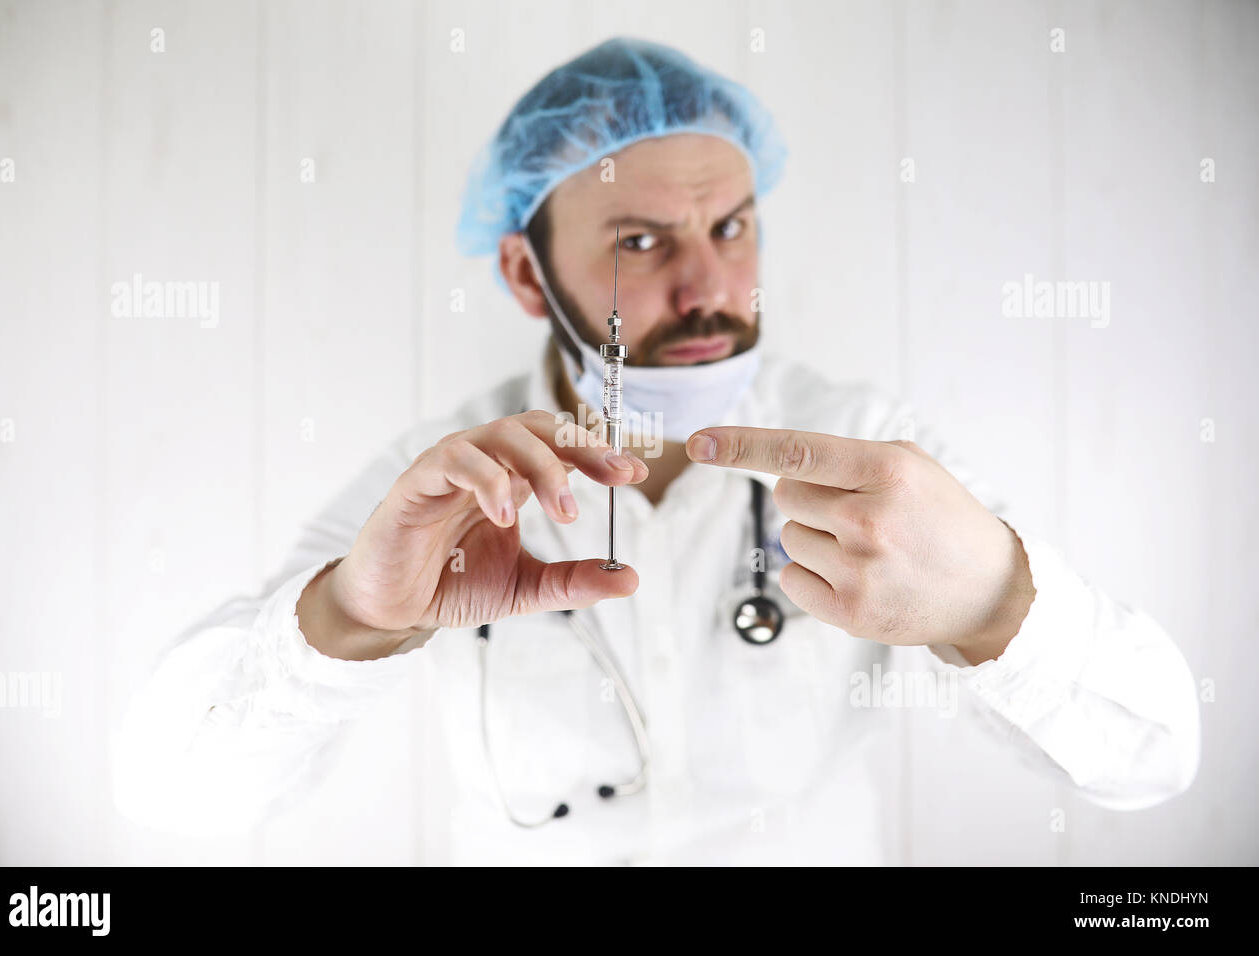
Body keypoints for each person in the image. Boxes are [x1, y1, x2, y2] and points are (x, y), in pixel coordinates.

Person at [113, 37, 1199, 865]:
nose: (707, 290)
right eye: (641, 241)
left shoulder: (875, 447)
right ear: (527, 275)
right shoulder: (438, 485)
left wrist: (998, 604)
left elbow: (1157, 760)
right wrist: (348, 613)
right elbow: (172, 800)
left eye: (729, 228)